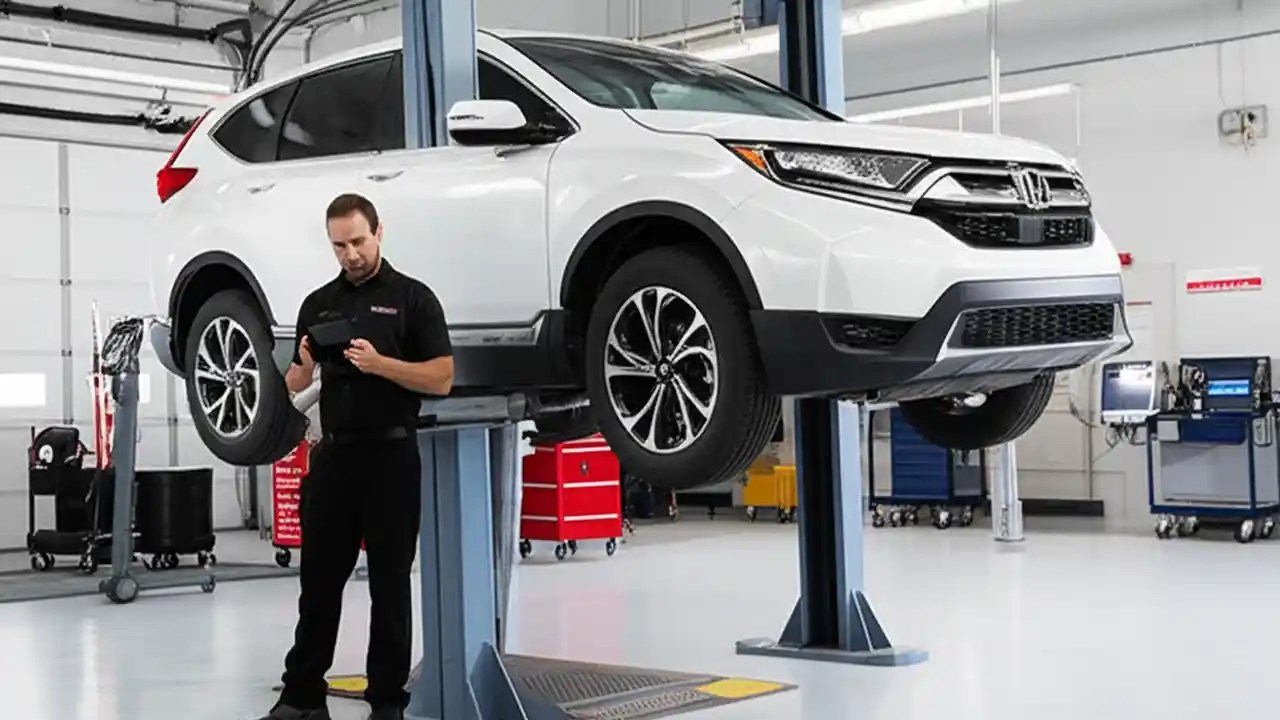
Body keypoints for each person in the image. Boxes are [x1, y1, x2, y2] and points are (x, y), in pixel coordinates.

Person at [258, 193, 454, 720]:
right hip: (334, 458)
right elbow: (295, 384)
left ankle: (387, 703)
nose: (350, 255)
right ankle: (301, 696)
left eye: (358, 242)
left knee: (390, 585)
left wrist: (380, 363)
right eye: (339, 245)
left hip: (391, 457)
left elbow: (441, 376)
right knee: (318, 580)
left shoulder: (414, 299)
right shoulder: (319, 303)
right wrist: (300, 366)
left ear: (379, 232)